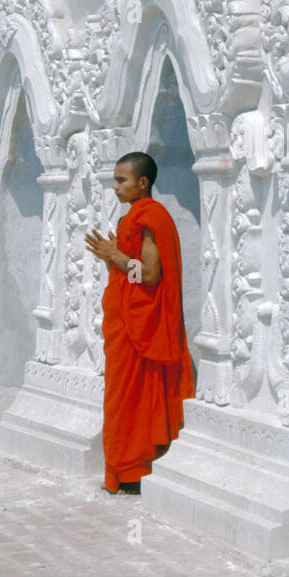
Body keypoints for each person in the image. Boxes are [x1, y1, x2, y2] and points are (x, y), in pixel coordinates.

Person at [85, 151, 195, 494]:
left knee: (130, 397)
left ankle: (133, 468)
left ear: (142, 183)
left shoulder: (151, 217)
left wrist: (115, 255)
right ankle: (122, 470)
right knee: (119, 397)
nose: (115, 187)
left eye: (122, 180)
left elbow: (148, 275)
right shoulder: (131, 218)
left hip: (140, 328)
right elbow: (127, 272)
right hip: (123, 324)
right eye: (115, 180)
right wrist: (115, 256)